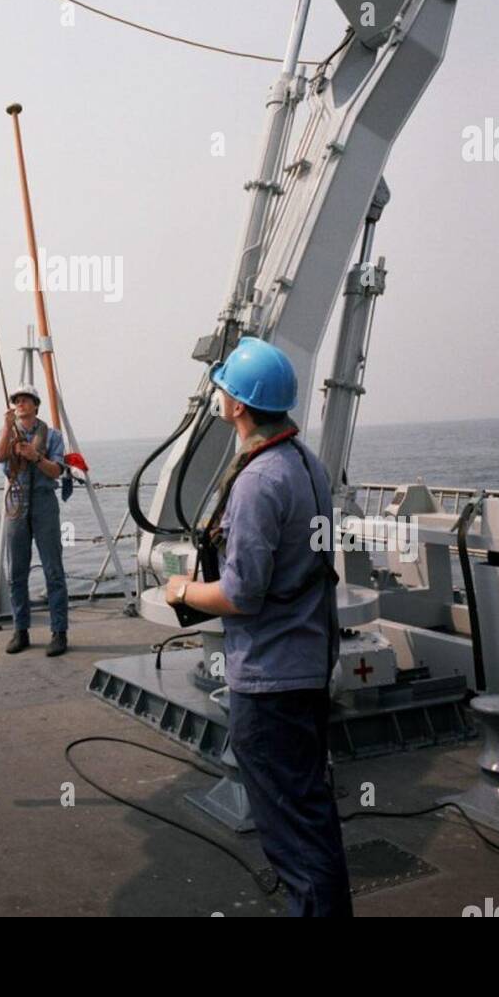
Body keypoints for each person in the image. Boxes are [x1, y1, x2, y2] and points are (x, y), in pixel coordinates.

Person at [164, 336, 352, 917]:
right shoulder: (307, 465)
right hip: (308, 663)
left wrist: (183, 591)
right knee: (310, 814)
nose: (217, 394)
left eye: (223, 387)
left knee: (291, 833)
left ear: (238, 405)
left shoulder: (258, 481)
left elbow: (242, 594)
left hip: (270, 680)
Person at [0, 385, 70, 657]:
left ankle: (59, 632)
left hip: (44, 503)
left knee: (53, 569)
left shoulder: (52, 436)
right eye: (17, 401)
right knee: (16, 571)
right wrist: (6, 428)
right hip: (16, 501)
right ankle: (20, 630)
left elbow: (57, 471)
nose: (20, 404)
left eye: (25, 400)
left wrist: (35, 456)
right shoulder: (6, 432)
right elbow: (0, 455)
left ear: (36, 405)